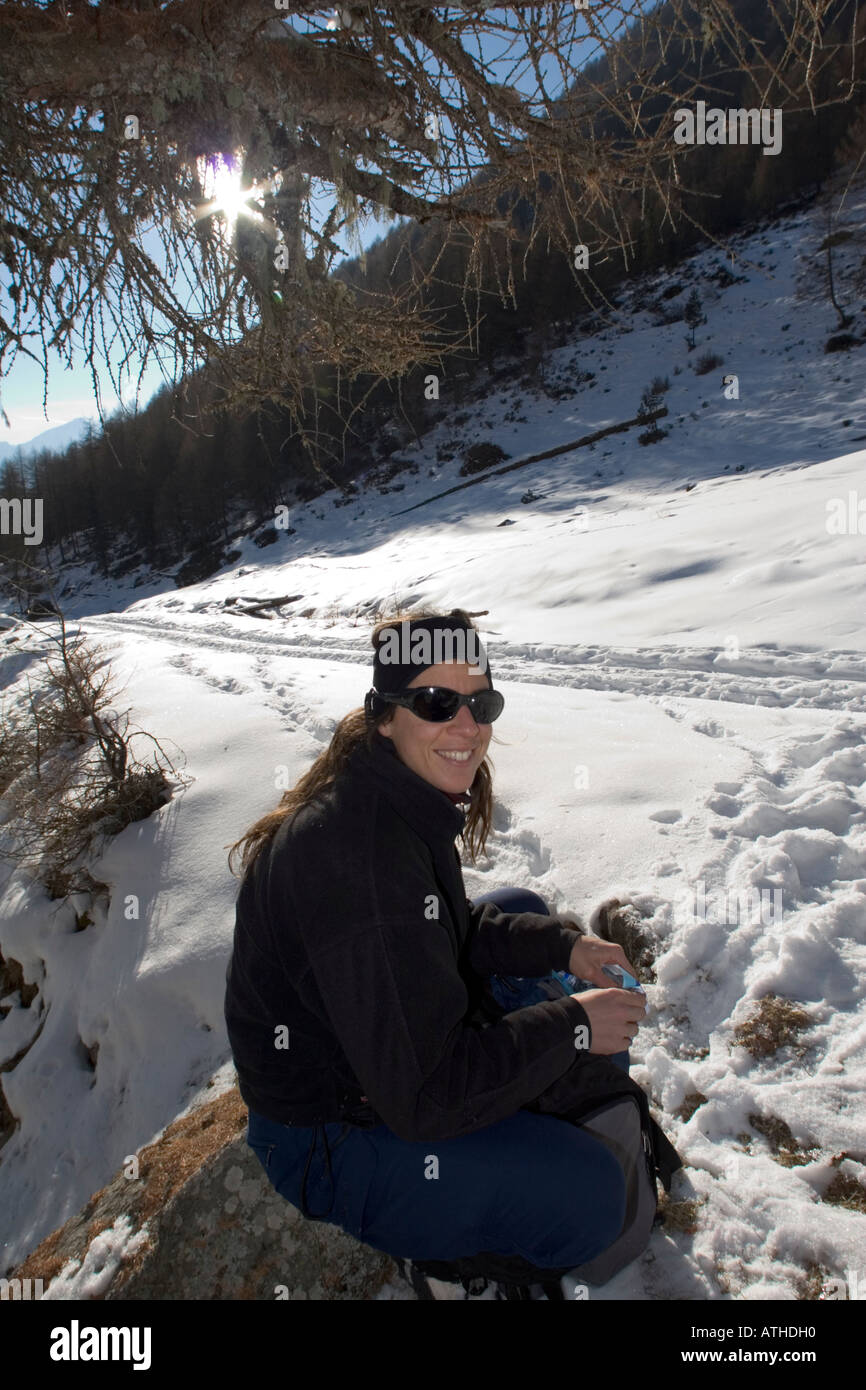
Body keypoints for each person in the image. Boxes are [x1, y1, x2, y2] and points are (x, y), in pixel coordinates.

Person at [224, 606, 680, 1294]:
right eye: (438, 703)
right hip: (330, 1135)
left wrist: (566, 946)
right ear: (386, 713)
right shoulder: (360, 862)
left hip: (370, 1059)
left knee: (525, 912)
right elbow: (428, 1096)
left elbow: (446, 925)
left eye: (480, 701)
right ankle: (453, 1264)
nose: (468, 727)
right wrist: (573, 1025)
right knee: (594, 1198)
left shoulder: (395, 792)